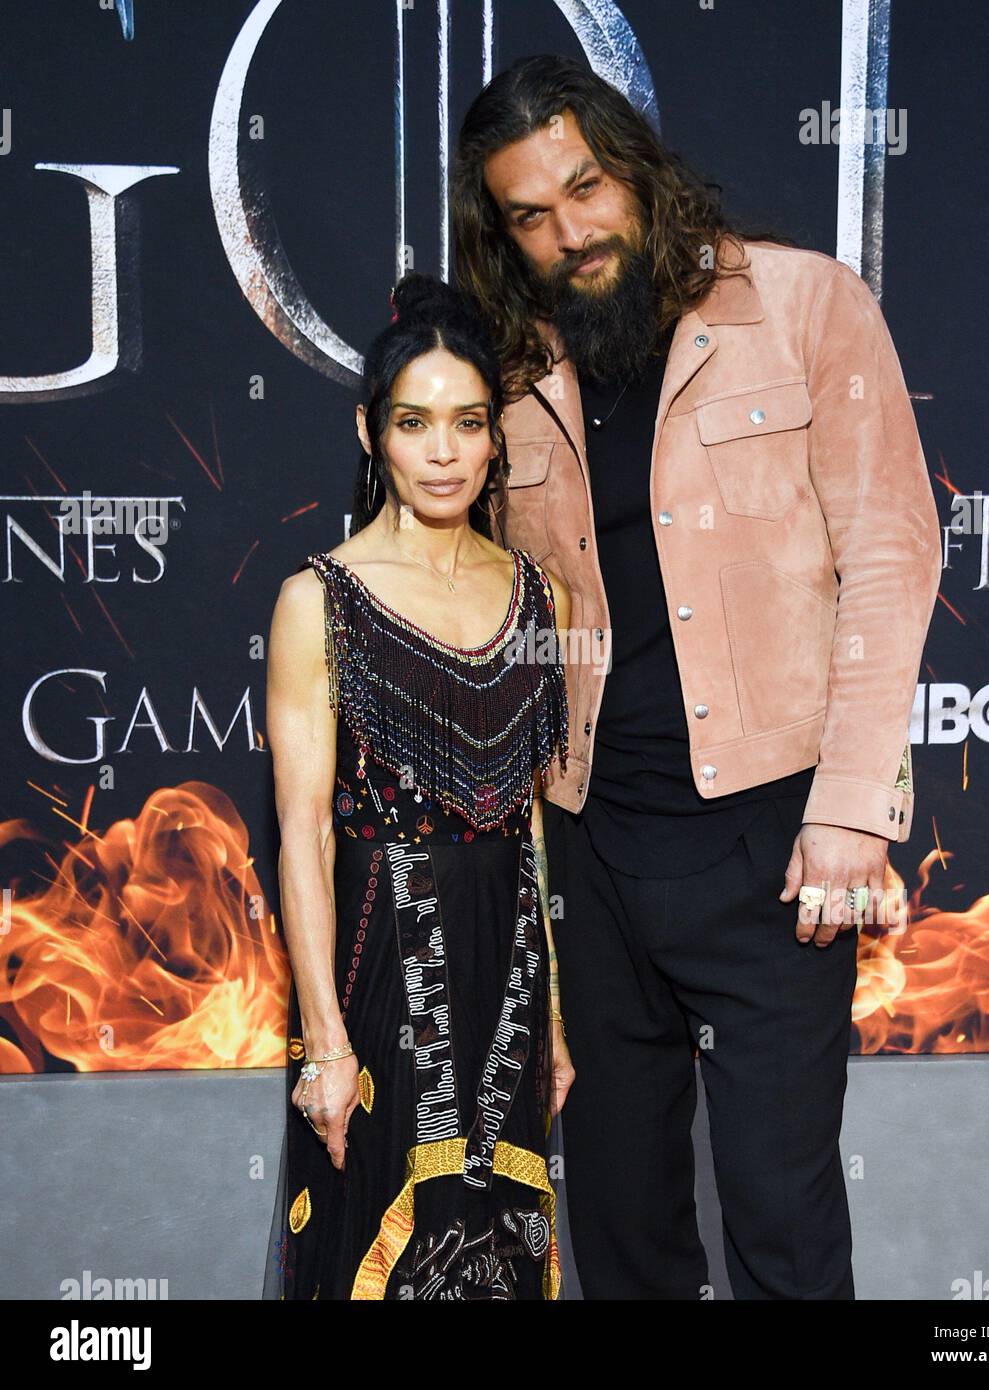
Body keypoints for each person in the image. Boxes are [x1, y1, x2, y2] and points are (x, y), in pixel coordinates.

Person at [449, 55, 941, 1298]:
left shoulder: (803, 304)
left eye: (588, 185)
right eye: (531, 215)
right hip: (591, 852)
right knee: (620, 1218)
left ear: (636, 167)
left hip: (771, 840)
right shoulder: (510, 375)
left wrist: (849, 812)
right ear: (501, 234)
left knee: (779, 1217)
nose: (572, 229)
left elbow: (892, 550)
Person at [261, 273, 574, 1301]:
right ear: (371, 432)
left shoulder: (543, 595)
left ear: (495, 438)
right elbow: (302, 832)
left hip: (507, 968)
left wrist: (556, 1021)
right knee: (381, 1247)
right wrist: (326, 1044)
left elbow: (529, 819)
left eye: (468, 422)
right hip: (380, 958)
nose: (443, 450)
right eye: (414, 422)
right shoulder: (320, 599)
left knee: (499, 1249)